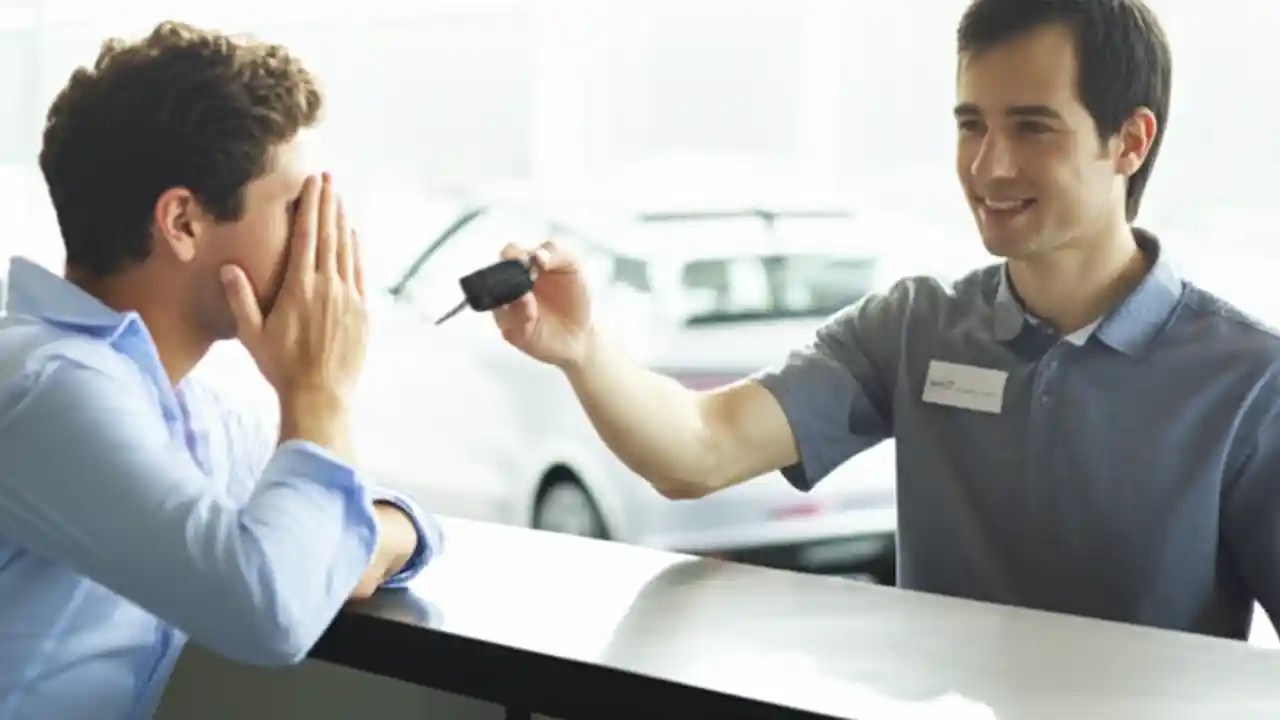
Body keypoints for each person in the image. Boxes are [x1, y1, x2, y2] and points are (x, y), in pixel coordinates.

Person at [494, 0, 1280, 641]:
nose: (988, 165)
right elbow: (697, 451)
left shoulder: (1249, 380)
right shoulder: (914, 329)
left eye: (1032, 127)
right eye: (972, 124)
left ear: (1130, 141)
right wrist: (582, 350)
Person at [0, 21, 442, 718]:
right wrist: (318, 391)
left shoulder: (185, 410)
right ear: (181, 222)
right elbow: (272, 611)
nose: (320, 241)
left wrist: (362, 536)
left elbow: (349, 526)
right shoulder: (47, 387)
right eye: (300, 208)